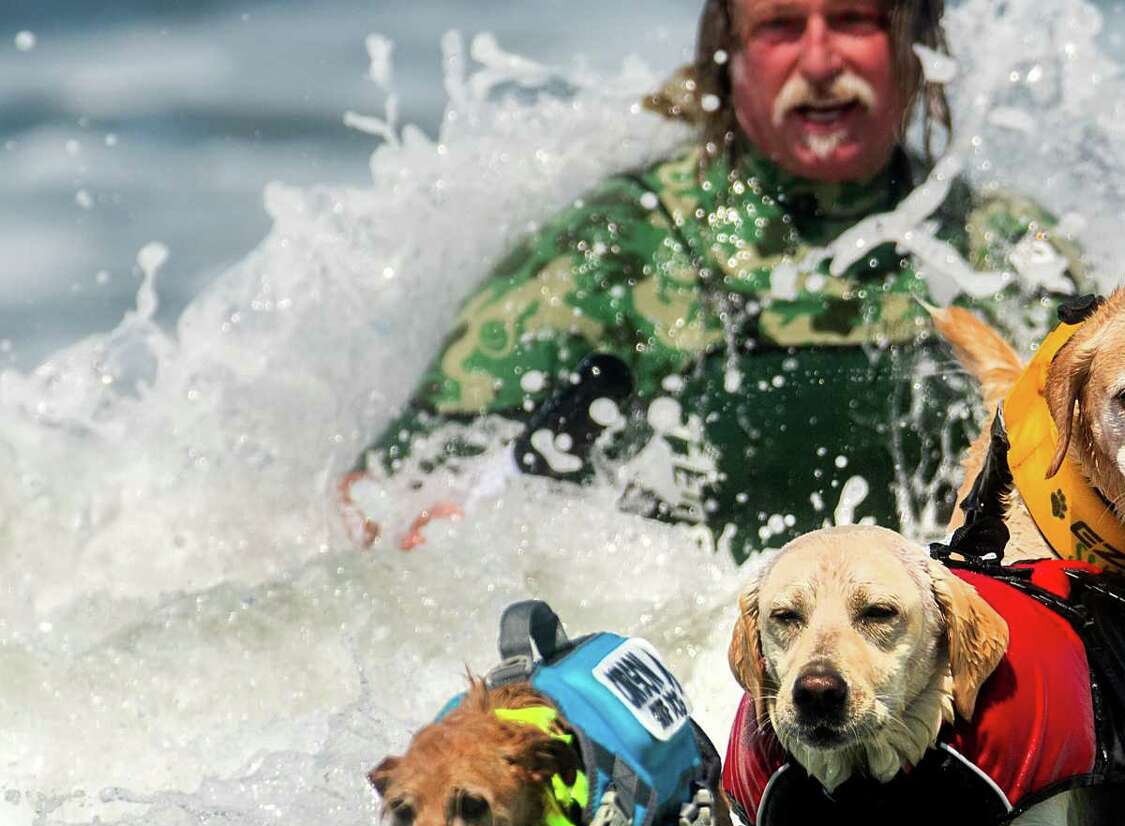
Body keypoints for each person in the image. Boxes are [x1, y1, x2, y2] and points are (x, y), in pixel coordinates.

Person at [344, 0, 1082, 553]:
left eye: (855, 21)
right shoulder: (621, 243)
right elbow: (382, 494)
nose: (821, 63)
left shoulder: (1006, 249)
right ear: (727, 56)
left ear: (917, 46)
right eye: (781, 27)